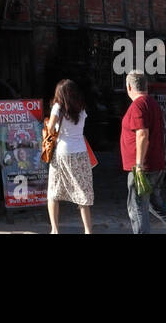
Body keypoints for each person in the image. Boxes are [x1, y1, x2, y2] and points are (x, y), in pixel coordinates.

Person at [120, 71, 166, 234]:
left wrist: (138, 165)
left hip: (143, 168)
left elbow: (142, 134)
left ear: (129, 87)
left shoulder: (138, 105)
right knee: (155, 204)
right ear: (146, 85)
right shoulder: (152, 103)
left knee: (137, 209)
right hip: (156, 164)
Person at [45, 78, 94, 234]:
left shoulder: (58, 107)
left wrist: (47, 124)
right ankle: (88, 230)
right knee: (82, 192)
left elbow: (51, 127)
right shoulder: (81, 108)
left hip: (62, 153)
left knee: (53, 191)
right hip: (81, 152)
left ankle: (55, 230)